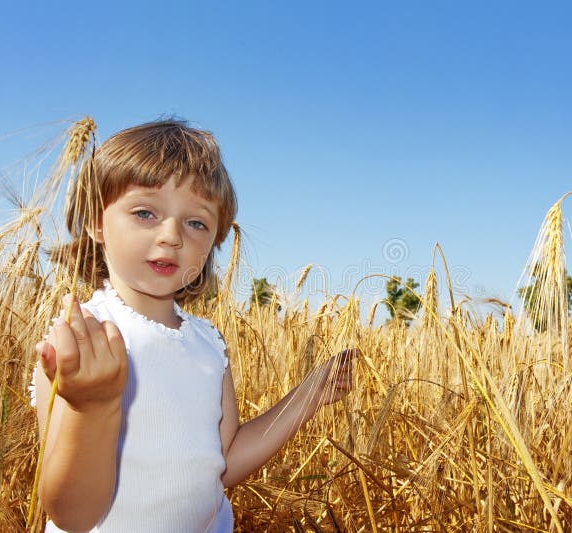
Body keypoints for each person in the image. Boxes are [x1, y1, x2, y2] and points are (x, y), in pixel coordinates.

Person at [31, 120, 354, 532]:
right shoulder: (83, 340)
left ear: (216, 239)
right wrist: (91, 406)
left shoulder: (209, 344)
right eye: (145, 212)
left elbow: (221, 463)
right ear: (97, 222)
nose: (172, 236)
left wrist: (309, 395)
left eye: (196, 223)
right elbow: (72, 515)